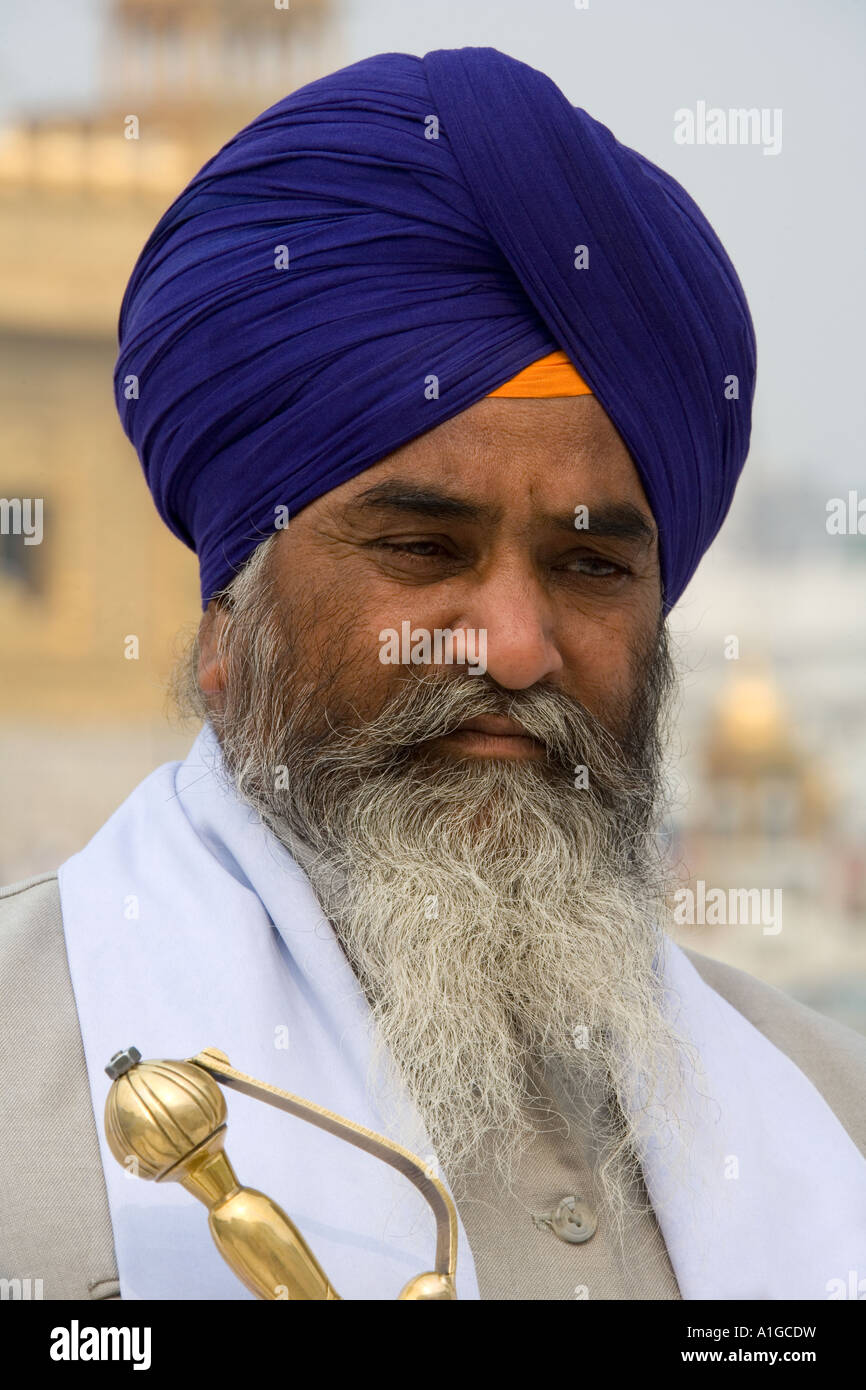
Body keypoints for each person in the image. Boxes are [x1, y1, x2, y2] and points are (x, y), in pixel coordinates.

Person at [1, 47, 863, 1302]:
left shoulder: (827, 1120)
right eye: (419, 549)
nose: (514, 647)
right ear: (225, 622)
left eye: (588, 567)